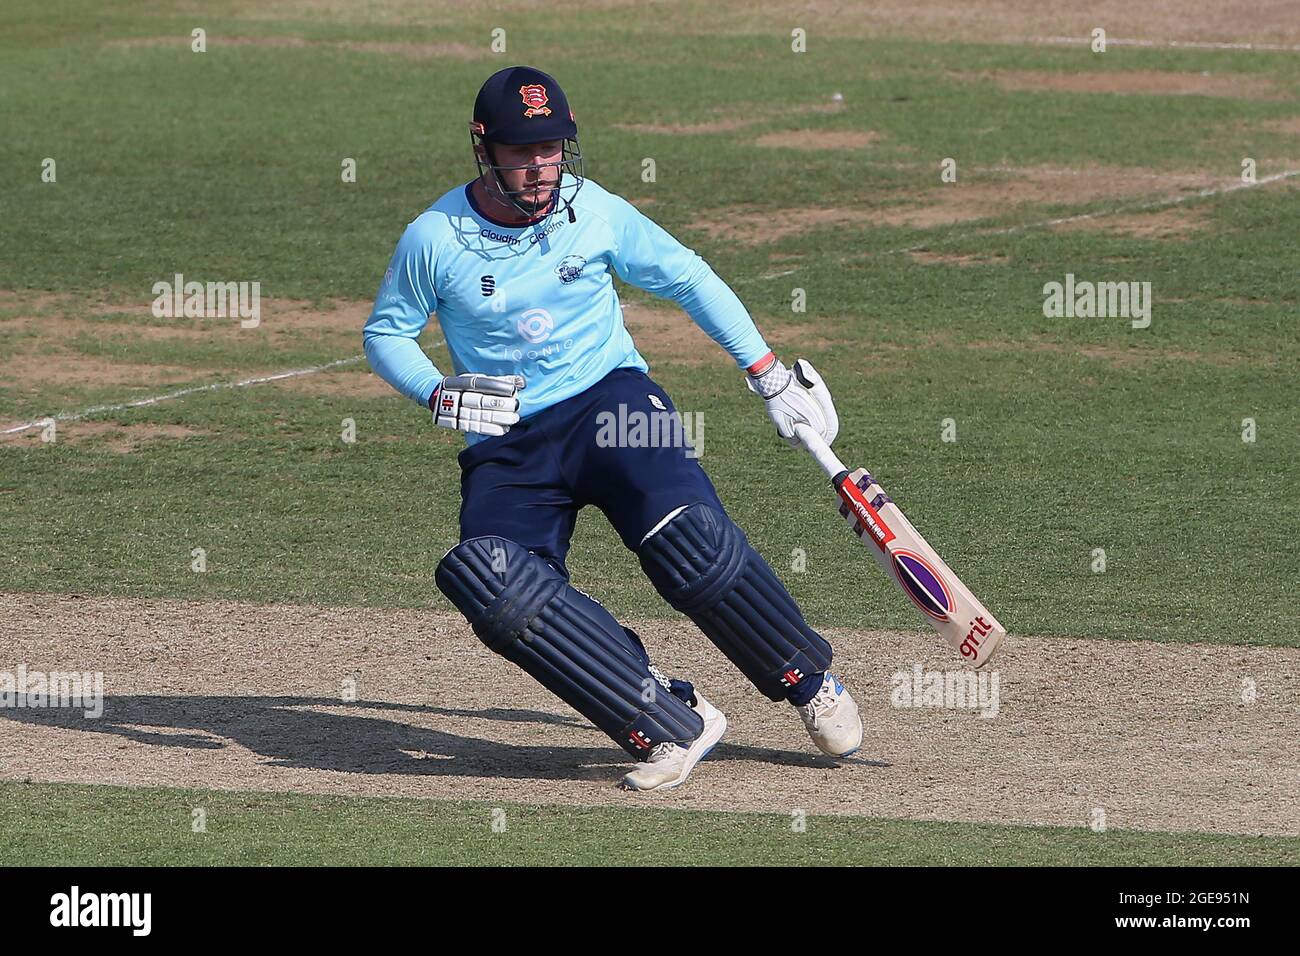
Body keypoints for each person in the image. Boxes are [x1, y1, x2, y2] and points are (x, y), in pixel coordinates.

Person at [363, 65, 862, 791]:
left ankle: (807, 680)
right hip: (510, 442)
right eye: (521, 152)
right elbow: (387, 334)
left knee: (689, 544)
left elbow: (687, 275)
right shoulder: (434, 237)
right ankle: (667, 715)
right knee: (491, 582)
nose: (538, 168)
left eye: (552, 150)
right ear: (484, 149)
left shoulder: (593, 211)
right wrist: (438, 393)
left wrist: (769, 374)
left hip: (614, 403)